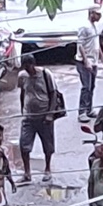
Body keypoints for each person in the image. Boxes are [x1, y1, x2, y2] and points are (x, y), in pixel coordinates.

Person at [17, 54, 59, 183]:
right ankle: (27, 173)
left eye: (28, 65)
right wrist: (22, 109)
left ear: (33, 64)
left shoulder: (46, 74)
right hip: (29, 117)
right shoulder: (22, 76)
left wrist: (50, 114)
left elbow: (53, 94)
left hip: (44, 116)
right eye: (24, 66)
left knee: (47, 145)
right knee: (24, 145)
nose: (27, 69)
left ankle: (47, 169)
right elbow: (22, 93)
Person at [75, 6, 103, 122]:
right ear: (91, 14)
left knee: (92, 86)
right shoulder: (84, 27)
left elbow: (96, 45)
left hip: (93, 61)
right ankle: (82, 111)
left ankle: (89, 109)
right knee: (86, 87)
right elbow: (80, 45)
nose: (99, 16)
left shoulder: (94, 27)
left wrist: (102, 58)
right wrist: (86, 61)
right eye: (97, 14)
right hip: (84, 62)